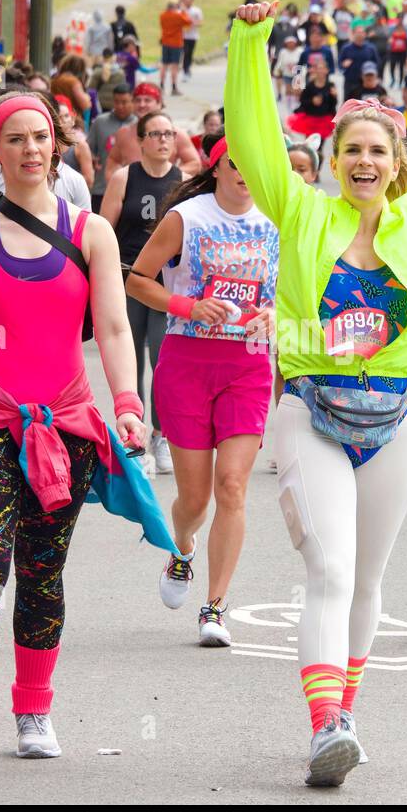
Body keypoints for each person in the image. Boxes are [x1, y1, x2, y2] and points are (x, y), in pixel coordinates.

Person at [227, 0, 407, 786]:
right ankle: (326, 723)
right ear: (334, 159)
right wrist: (250, 42)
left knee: (366, 581)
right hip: (311, 410)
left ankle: (343, 715)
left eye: (377, 151)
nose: (364, 161)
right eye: (351, 149)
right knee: (327, 570)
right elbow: (255, 138)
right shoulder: (300, 212)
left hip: (396, 415)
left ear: (398, 160)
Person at [0, 91, 171, 777]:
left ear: (55, 145)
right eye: (14, 139)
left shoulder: (90, 233)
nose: (29, 149)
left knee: (42, 572)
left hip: (65, 428)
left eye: (39, 137)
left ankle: (35, 709)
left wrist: (129, 404)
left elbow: (111, 328)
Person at [128, 132, 279, 644]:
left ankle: (214, 607)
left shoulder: (281, 221)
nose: (243, 173)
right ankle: (183, 547)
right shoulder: (187, 218)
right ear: (215, 169)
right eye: (233, 164)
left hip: (248, 365)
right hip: (188, 363)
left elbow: (306, 290)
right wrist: (187, 306)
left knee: (232, 485)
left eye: (252, 164)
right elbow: (137, 279)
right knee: (193, 499)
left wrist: (277, 314)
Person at [100, 111, 187, 474]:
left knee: (163, 363)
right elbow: (103, 230)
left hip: (167, 284)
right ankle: (132, 438)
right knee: (129, 360)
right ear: (141, 140)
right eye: (155, 133)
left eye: (169, 133)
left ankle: (159, 435)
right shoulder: (125, 178)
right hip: (127, 280)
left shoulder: (184, 181)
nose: (163, 140)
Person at [104, 83, 202, 180]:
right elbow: (113, 161)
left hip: (166, 193)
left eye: (147, 100)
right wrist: (117, 181)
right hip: (133, 193)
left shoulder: (176, 134)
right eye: (138, 100)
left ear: (159, 103)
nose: (142, 104)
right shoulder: (124, 133)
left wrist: (168, 177)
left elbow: (195, 163)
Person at [87, 84, 137, 211]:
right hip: (101, 188)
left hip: (132, 190)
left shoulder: (139, 124)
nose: (120, 106)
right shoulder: (100, 122)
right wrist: (91, 158)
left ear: (132, 101)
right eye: (117, 102)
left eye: (124, 102)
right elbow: (88, 148)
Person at [286, 53, 339, 157]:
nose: (320, 71)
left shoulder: (330, 85)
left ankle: (316, 169)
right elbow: (303, 101)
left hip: (324, 120)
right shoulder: (310, 85)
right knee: (310, 146)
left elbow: (333, 105)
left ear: (327, 71)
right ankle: (310, 165)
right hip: (310, 120)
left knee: (319, 148)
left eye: (322, 68)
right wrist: (312, 101)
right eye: (318, 68)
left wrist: (334, 96)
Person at [157, 0, 192, 96]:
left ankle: (162, 85)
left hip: (165, 42)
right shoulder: (178, 16)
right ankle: (173, 87)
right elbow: (188, 22)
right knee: (174, 67)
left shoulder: (162, 15)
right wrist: (183, 11)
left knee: (164, 65)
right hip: (176, 43)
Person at [180, 0, 203, 79]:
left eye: (190, 1)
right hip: (183, 36)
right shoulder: (181, 11)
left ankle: (188, 68)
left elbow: (200, 22)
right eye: (186, 1)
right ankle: (185, 70)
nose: (188, 2)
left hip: (193, 36)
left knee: (190, 53)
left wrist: (193, 23)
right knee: (185, 52)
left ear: (192, 1)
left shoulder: (196, 11)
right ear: (184, 1)